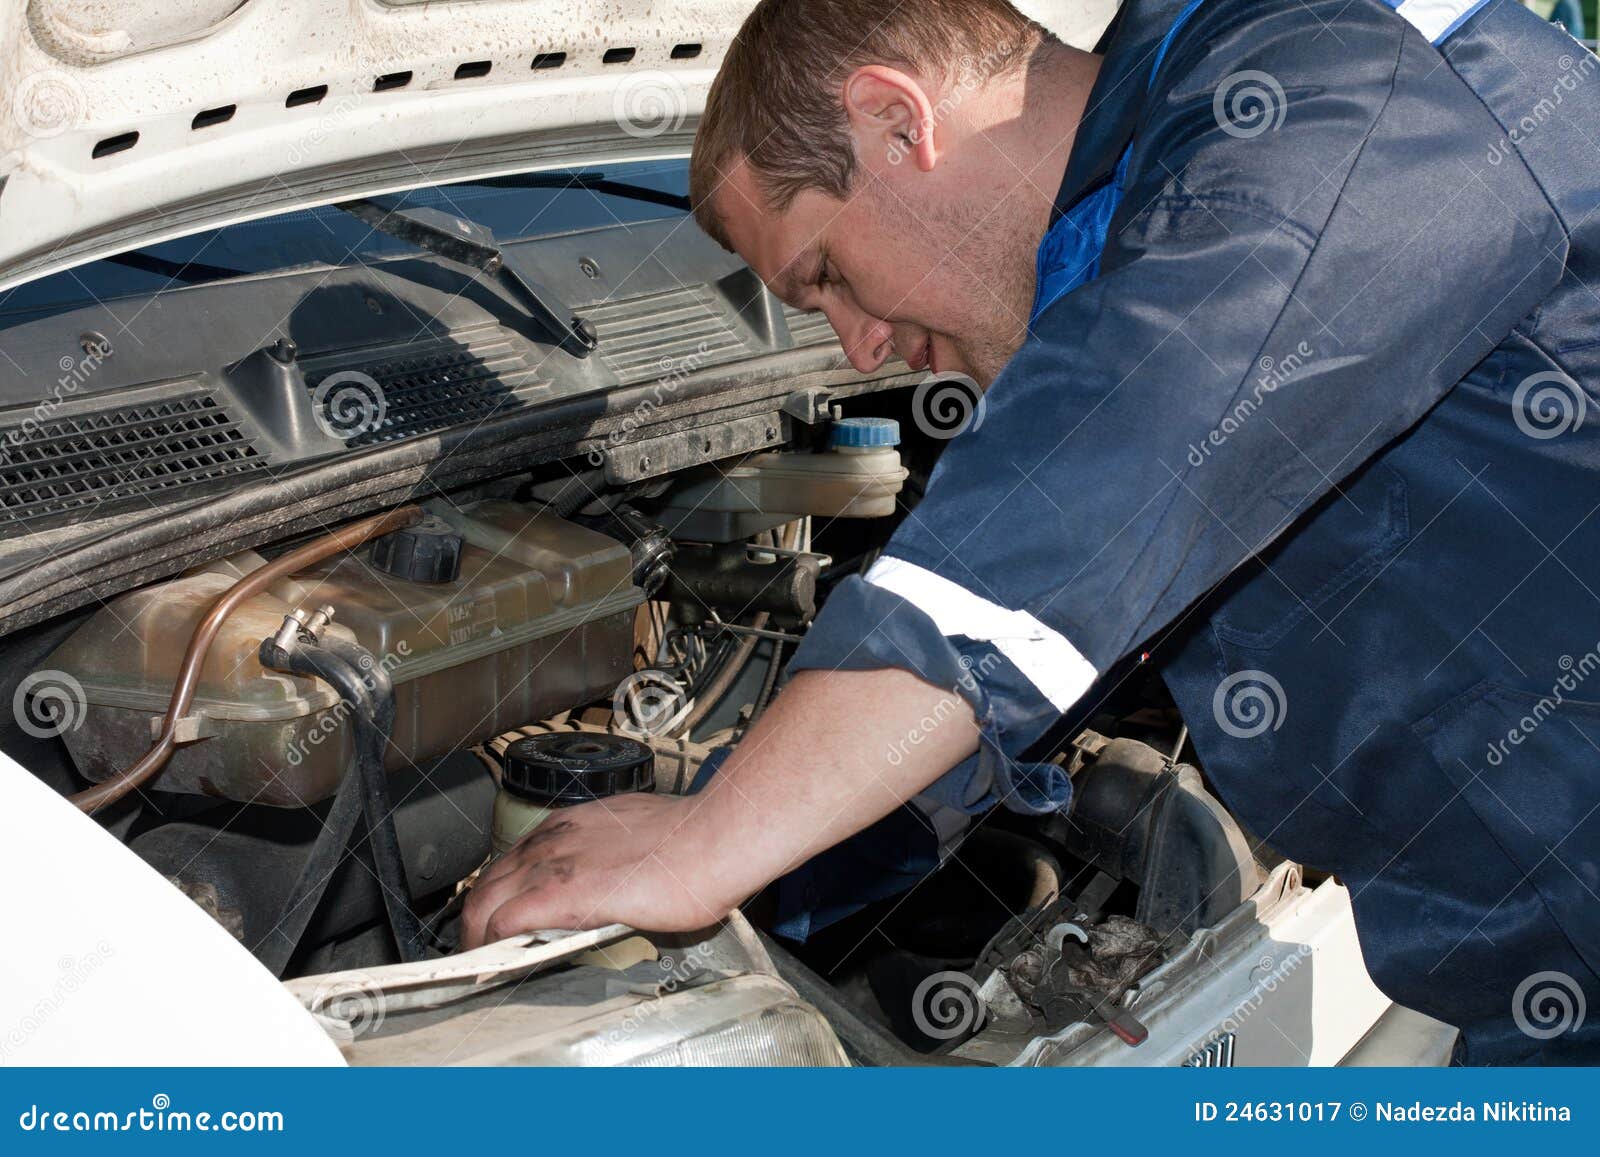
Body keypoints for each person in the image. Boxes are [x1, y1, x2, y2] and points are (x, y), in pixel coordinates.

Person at [463, 0, 1600, 1063]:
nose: (856, 348)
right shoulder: (1143, 230)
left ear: (896, 121)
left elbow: (1103, 489)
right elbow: (1071, 637)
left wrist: (708, 844)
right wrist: (784, 849)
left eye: (826, 275)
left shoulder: (1328, 98)